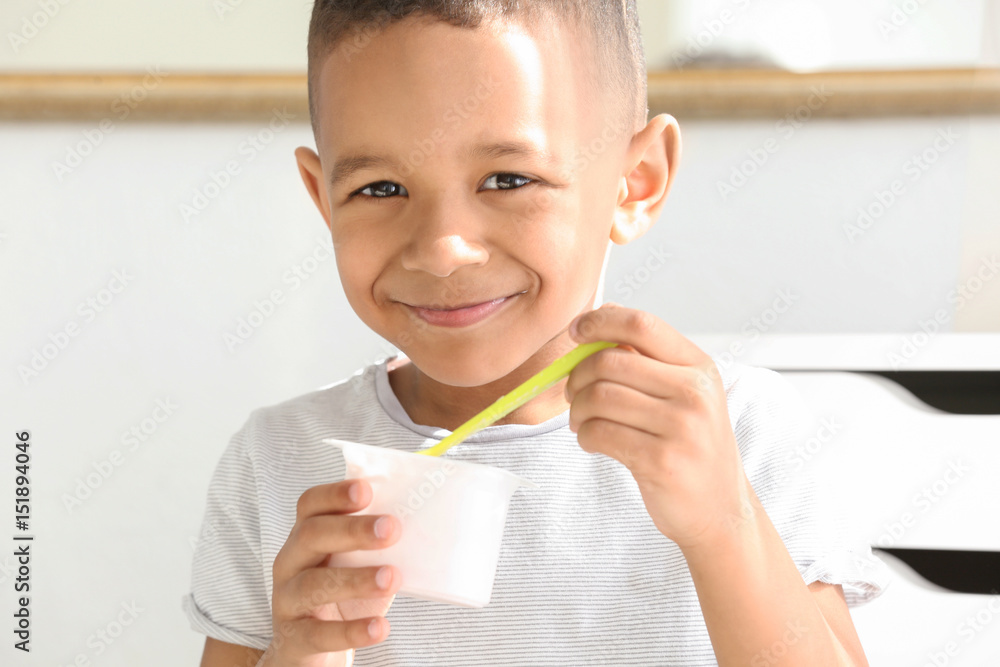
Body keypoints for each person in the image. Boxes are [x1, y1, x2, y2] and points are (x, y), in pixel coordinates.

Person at [183, 1, 890, 665]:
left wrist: (724, 523)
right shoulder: (276, 464)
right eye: (380, 189)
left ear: (634, 181)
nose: (441, 247)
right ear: (322, 198)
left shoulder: (742, 435)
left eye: (507, 178)